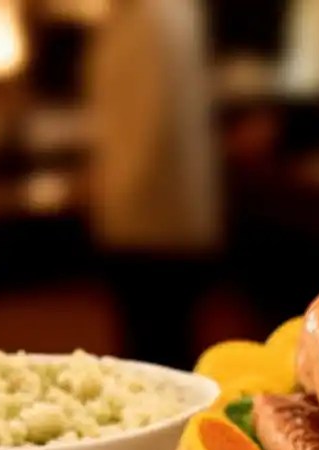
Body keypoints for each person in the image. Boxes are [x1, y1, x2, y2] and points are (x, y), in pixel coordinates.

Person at [85, 0, 220, 368]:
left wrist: (112, 199)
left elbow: (154, 131)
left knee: (159, 354)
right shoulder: (140, 15)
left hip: (152, 222)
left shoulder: (157, 16)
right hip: (144, 217)